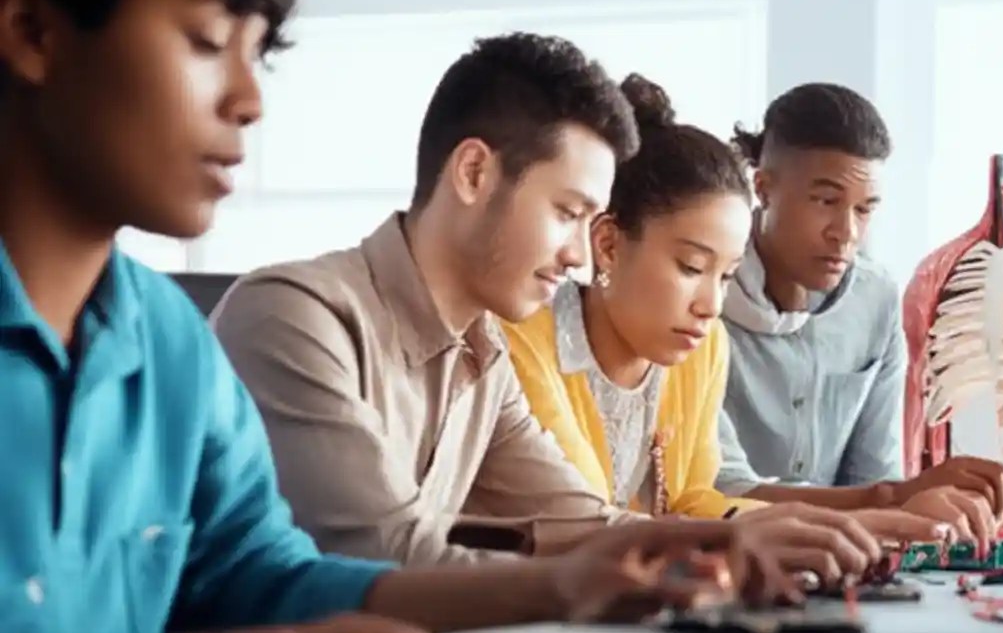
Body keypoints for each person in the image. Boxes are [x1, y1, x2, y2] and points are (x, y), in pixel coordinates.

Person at [0, 0, 857, 633]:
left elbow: (267, 576)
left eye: (257, 58)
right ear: (33, 31)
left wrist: (684, 550)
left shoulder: (169, 339)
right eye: (204, 43)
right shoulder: (287, 315)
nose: (250, 101)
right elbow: (370, 557)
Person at [211, 29, 885, 566]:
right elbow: (387, 552)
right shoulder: (297, 317)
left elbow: (581, 521)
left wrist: (734, 543)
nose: (577, 254)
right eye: (567, 213)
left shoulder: (484, 357)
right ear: (474, 172)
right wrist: (596, 582)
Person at [503, 74, 1003, 546]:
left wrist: (887, 517)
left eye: (726, 275)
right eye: (690, 266)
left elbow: (698, 502)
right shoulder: (525, 340)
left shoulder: (700, 349)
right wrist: (876, 515)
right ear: (609, 245)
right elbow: (584, 521)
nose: (710, 306)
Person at [711, 83, 1003, 538]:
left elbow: (873, 474)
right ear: (764, 188)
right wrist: (895, 497)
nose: (846, 232)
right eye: (825, 201)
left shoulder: (875, 302)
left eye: (864, 209)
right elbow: (717, 491)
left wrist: (925, 504)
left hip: (844, 554)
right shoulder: (700, 303)